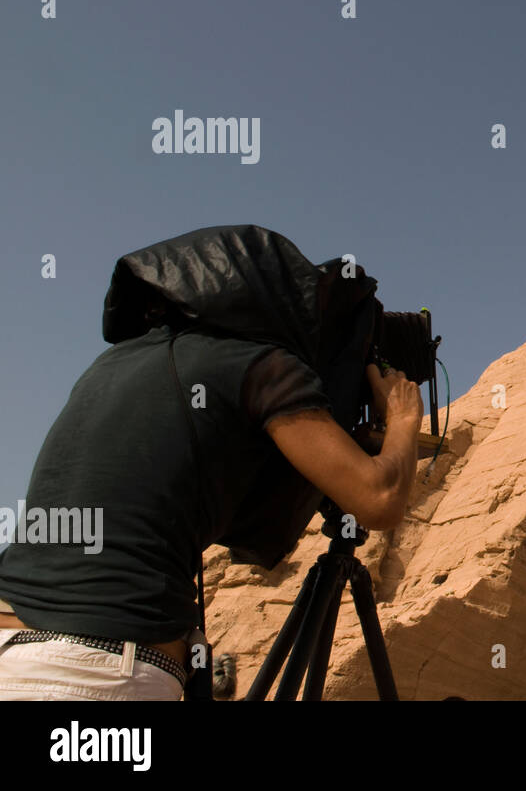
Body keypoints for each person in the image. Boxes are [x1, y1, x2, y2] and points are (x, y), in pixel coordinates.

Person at [0, 228, 424, 701]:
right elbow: (379, 499)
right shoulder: (260, 365)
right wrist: (404, 417)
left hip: (11, 649)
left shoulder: (113, 363)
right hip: (97, 674)